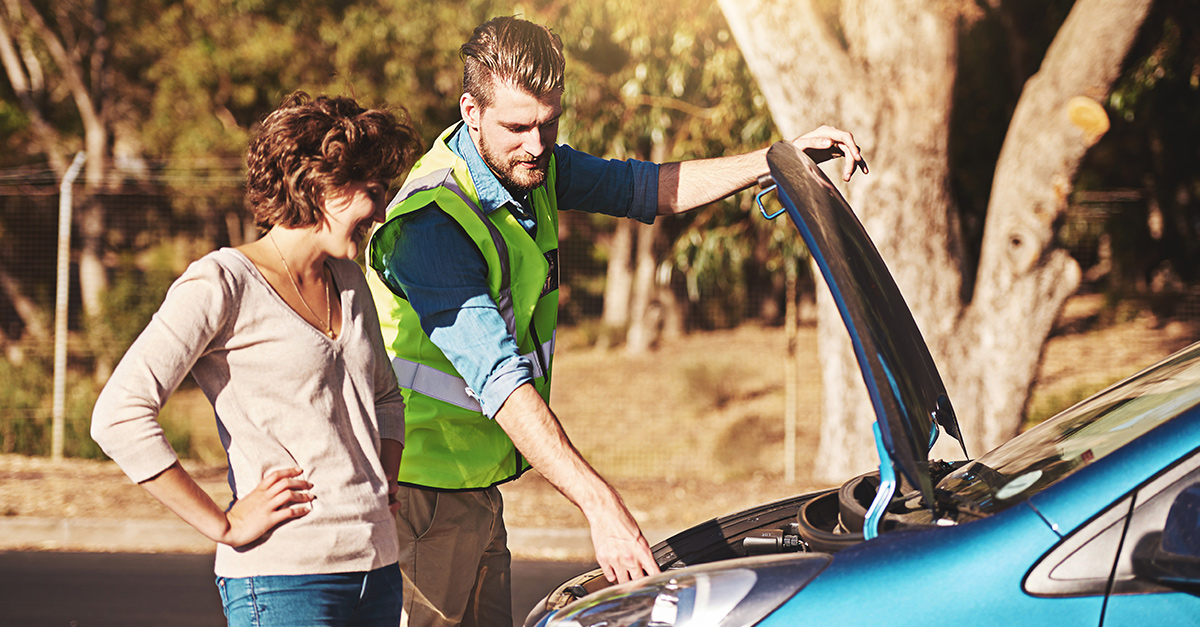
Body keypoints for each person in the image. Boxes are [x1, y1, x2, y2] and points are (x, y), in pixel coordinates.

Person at [366, 16, 867, 627]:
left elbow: (647, 186)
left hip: (473, 489)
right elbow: (500, 380)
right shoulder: (432, 222)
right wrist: (599, 505)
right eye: (518, 126)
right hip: (415, 494)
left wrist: (773, 160)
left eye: (550, 123)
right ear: (471, 111)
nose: (537, 144)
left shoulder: (534, 166)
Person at [91, 91, 422, 627]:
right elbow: (119, 416)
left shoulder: (350, 279)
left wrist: (381, 482)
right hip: (285, 580)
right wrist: (223, 525)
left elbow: (384, 395)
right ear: (323, 186)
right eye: (374, 193)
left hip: (379, 572)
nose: (381, 213)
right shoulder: (222, 282)